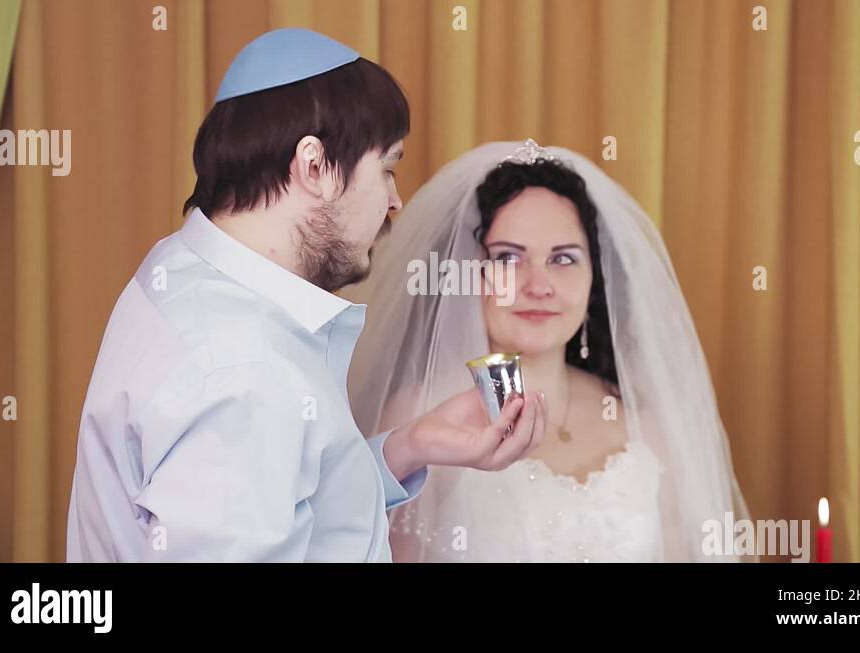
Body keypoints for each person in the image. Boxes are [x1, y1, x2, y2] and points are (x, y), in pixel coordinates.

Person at [66, 30, 546, 563]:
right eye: (386, 168)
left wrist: (410, 446)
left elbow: (290, 503)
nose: (395, 200)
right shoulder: (243, 374)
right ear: (314, 166)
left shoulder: (184, 269)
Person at [346, 140, 753, 562]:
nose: (539, 286)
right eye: (508, 258)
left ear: (595, 276)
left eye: (563, 259)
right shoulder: (419, 421)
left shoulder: (643, 422)